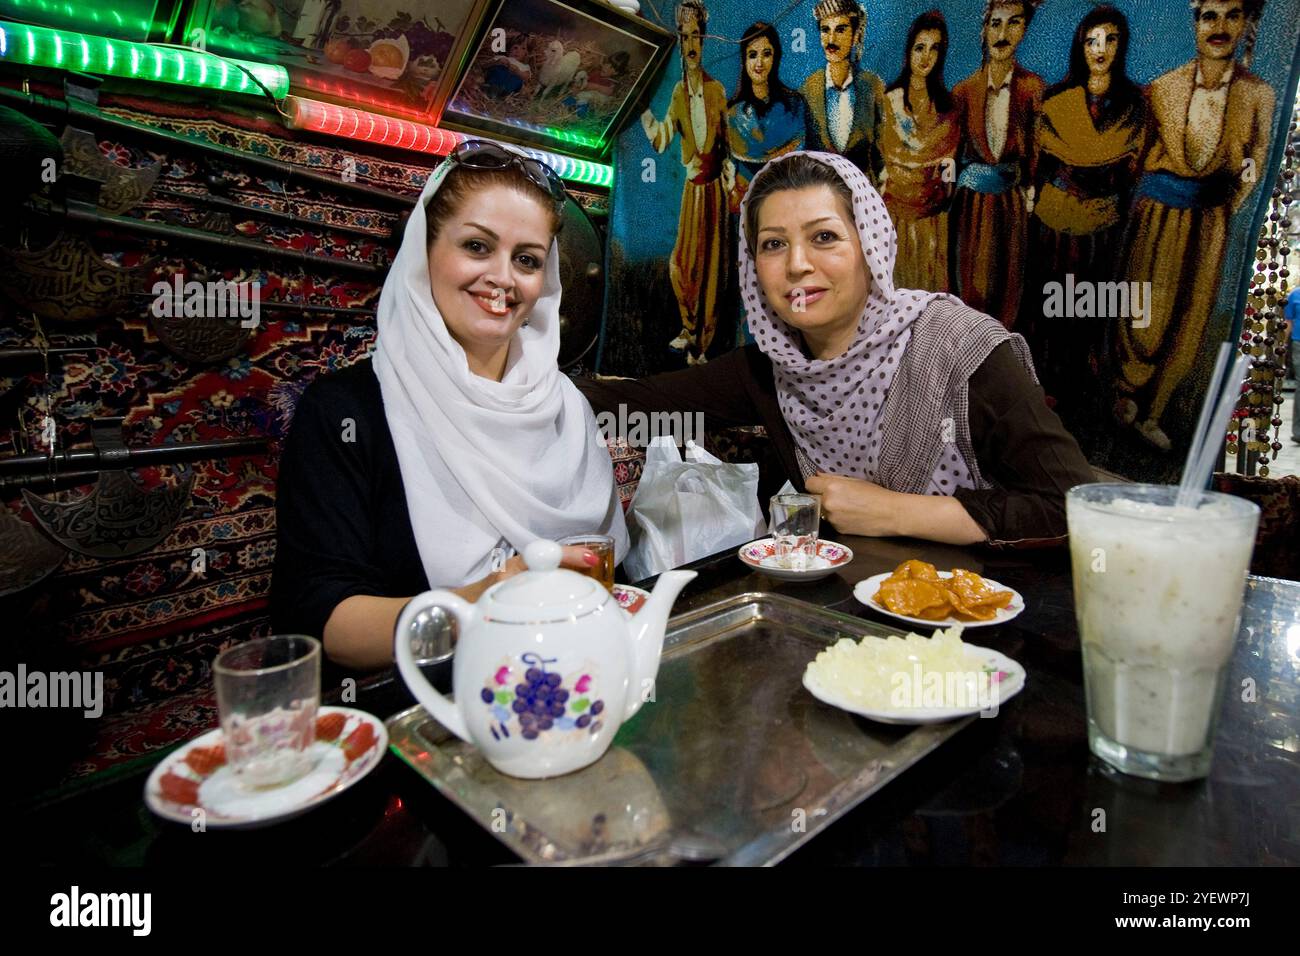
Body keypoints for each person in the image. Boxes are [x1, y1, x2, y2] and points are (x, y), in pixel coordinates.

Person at [575, 152, 1096, 546]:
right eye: (773, 244)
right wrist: (504, 369)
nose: (797, 264)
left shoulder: (960, 348)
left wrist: (893, 512)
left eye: (824, 237)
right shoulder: (770, 370)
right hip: (850, 628)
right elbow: (632, 404)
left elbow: (1073, 507)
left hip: (976, 627)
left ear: (870, 247)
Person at [272, 141, 628, 671]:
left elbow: (607, 572)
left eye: (526, 259)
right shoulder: (346, 413)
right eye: (478, 247)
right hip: (423, 707)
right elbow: (326, 622)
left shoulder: (565, 405)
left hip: (574, 678)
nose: (503, 279)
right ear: (425, 252)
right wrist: (485, 601)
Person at [1113, 0, 1273, 452]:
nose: (1220, 27)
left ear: (1245, 23)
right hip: (1158, 217)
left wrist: (1221, 209)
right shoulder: (1163, 87)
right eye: (1209, 16)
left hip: (1211, 222)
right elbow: (1138, 160)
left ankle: (1154, 414)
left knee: (1191, 317)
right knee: (1141, 312)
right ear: (1195, 21)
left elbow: (1255, 165)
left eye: (1232, 15)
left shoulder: (1258, 94)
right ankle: (1123, 395)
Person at [1023, 6, 1144, 422]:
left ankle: (1081, 390)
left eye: (1110, 40)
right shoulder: (1058, 100)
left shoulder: (1132, 105)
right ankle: (1045, 387)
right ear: (1081, 45)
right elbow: (1041, 164)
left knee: (1088, 308)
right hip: (1055, 222)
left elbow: (1131, 170)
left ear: (1120, 46)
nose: (1100, 49)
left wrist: (1102, 181)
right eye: (1092, 40)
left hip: (1101, 225)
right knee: (1048, 306)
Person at [640, 0, 731, 365]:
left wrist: (730, 183)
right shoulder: (678, 92)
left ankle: (702, 345)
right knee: (681, 264)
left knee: (711, 267)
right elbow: (662, 139)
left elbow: (727, 143)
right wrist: (641, 107)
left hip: (714, 191)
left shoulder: (717, 91)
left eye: (696, 37)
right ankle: (689, 327)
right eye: (685, 38)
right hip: (691, 191)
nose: (691, 46)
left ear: (704, 40)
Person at [951, 0, 1044, 328]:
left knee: (1007, 284)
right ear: (985, 29)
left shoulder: (1033, 90)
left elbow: (1037, 150)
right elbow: (953, 151)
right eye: (995, 24)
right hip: (971, 206)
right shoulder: (964, 91)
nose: (1002, 34)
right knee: (971, 281)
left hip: (1011, 204)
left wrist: (1029, 192)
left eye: (1013, 23)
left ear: (1024, 29)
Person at [880, 10, 960, 292]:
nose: (926, 57)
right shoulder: (890, 102)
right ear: (909, 51)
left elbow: (949, 166)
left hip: (933, 220)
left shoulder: (947, 109)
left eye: (934, 49)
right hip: (894, 216)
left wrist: (943, 195)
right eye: (919, 48)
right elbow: (882, 162)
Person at [800, 0, 886, 183]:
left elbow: (882, 154)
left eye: (840, 30)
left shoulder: (873, 87)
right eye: (825, 30)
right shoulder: (807, 91)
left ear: (856, 36)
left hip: (863, 196)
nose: (831, 40)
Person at [726, 21, 806, 199]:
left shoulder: (795, 106)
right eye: (752, 55)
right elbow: (731, 175)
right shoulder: (732, 115)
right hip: (747, 204)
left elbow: (800, 165)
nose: (759, 63)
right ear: (744, 61)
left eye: (766, 54)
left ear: (775, 57)